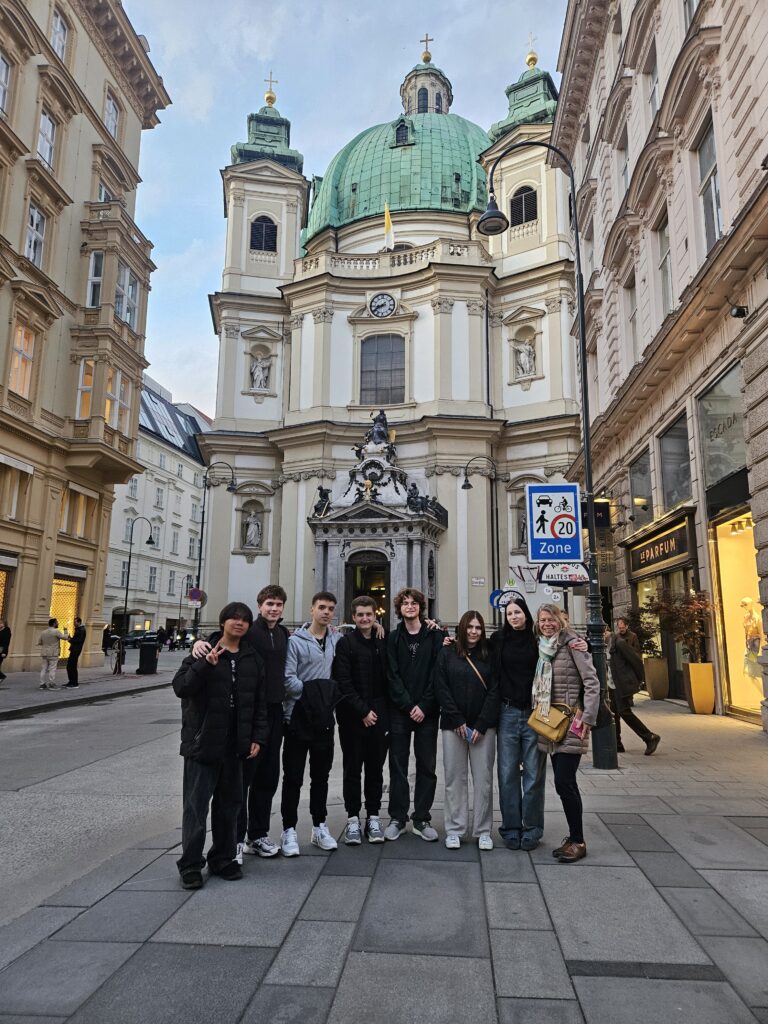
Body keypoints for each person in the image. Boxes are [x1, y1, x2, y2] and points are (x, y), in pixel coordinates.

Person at [172, 602, 267, 890]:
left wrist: (257, 737)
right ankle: (190, 865)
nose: (238, 623)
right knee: (196, 807)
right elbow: (182, 688)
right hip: (204, 742)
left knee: (230, 806)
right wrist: (204, 664)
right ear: (223, 622)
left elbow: (259, 703)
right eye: (233, 619)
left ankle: (223, 858)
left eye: (244, 620)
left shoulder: (252, 658)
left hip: (235, 744)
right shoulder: (201, 652)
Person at [194, 585, 291, 862]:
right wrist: (200, 642)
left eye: (278, 605)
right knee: (242, 780)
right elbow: (224, 638)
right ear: (260, 605)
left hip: (274, 712)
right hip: (248, 714)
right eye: (269, 604)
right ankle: (234, 839)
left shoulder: (283, 633)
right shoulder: (251, 630)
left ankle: (257, 835)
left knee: (268, 777)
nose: (274, 609)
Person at [534, 603, 600, 863]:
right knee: (563, 783)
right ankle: (573, 838)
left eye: (551, 619)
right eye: (542, 620)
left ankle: (578, 840)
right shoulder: (543, 647)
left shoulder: (573, 643)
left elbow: (592, 681)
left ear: (560, 621)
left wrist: (589, 716)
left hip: (573, 721)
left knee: (565, 781)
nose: (547, 624)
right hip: (549, 721)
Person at [280, 591, 343, 856]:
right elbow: (287, 680)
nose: (326, 612)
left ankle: (319, 826)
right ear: (311, 610)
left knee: (321, 776)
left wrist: (375, 624)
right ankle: (289, 830)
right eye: (321, 607)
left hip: (323, 720)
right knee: (293, 777)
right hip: (297, 716)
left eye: (330, 608)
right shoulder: (295, 642)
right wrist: (317, 694)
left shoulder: (337, 640)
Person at [385, 587, 447, 842]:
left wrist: (424, 705)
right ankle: (398, 817)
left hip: (428, 712)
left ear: (422, 607)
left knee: (427, 766)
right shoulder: (391, 638)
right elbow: (391, 674)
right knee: (397, 766)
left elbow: (438, 673)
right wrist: (408, 705)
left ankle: (421, 817)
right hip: (400, 711)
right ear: (399, 609)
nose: (410, 607)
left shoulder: (435, 636)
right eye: (405, 603)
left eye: (414, 603)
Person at [433, 610, 499, 851]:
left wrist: (481, 724)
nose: (473, 632)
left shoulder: (489, 653)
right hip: (453, 726)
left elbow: (495, 690)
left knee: (483, 781)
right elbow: (441, 688)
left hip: (484, 727)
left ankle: (483, 830)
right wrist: (458, 720)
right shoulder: (447, 653)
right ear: (461, 628)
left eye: (478, 628)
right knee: (454, 779)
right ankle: (455, 829)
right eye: (469, 627)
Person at [333, 595, 390, 845]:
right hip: (353, 718)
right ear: (353, 618)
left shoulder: (382, 640)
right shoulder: (345, 644)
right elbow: (343, 682)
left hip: (379, 716)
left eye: (369, 614)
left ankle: (374, 816)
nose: (365, 618)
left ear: (375, 616)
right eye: (360, 615)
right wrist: (362, 711)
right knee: (352, 769)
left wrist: (375, 712)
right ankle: (353, 818)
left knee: (376, 769)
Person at [606, 626, 660, 755]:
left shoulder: (619, 643)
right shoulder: (605, 646)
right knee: (613, 713)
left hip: (621, 684)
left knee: (624, 712)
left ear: (606, 631)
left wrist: (639, 680)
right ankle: (617, 744)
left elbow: (635, 660)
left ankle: (650, 737)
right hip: (612, 684)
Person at [37, 618, 68, 690]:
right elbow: (65, 637)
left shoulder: (43, 632)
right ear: (54, 623)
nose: (58, 623)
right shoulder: (56, 631)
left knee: (43, 668)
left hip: (44, 652)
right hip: (53, 653)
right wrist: (65, 630)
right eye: (57, 622)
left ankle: (42, 684)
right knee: (52, 668)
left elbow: (39, 642)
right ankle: (51, 683)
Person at [65, 617, 86, 687]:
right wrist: (70, 638)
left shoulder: (81, 630)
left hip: (76, 650)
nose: (74, 623)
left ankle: (74, 682)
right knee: (70, 666)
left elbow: (79, 640)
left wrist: (70, 640)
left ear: (79, 622)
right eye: (74, 622)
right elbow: (76, 639)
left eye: (75, 622)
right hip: (74, 649)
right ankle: (71, 681)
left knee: (72, 666)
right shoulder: (79, 629)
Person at [0, 618, 11, 683]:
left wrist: (4, 652)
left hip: (2, 650)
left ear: (4, 624)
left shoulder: (7, 630)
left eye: (1, 623)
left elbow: (6, 642)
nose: (0, 624)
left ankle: (2, 676)